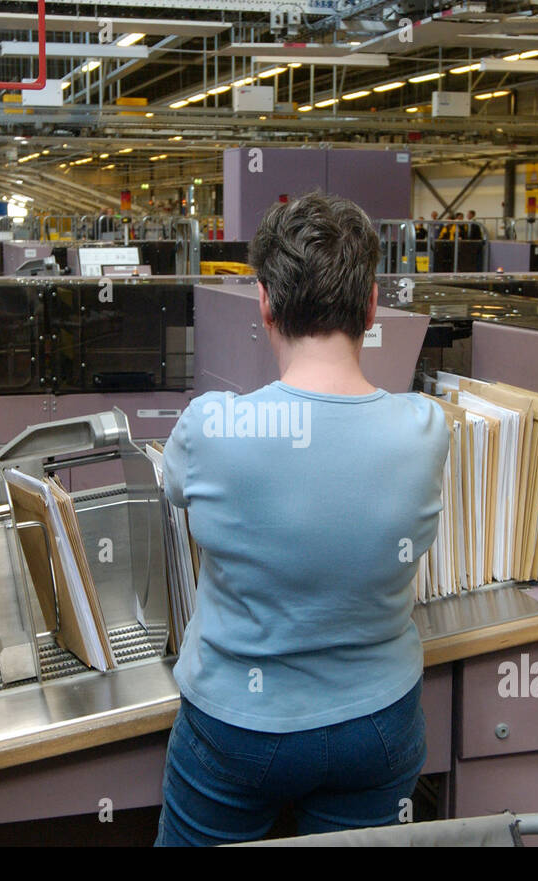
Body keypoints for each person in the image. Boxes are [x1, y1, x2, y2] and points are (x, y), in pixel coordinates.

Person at [154, 193, 450, 846]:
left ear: (264, 302)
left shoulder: (214, 426)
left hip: (239, 725)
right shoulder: (426, 429)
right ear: (371, 306)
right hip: (377, 723)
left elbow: (173, 490)